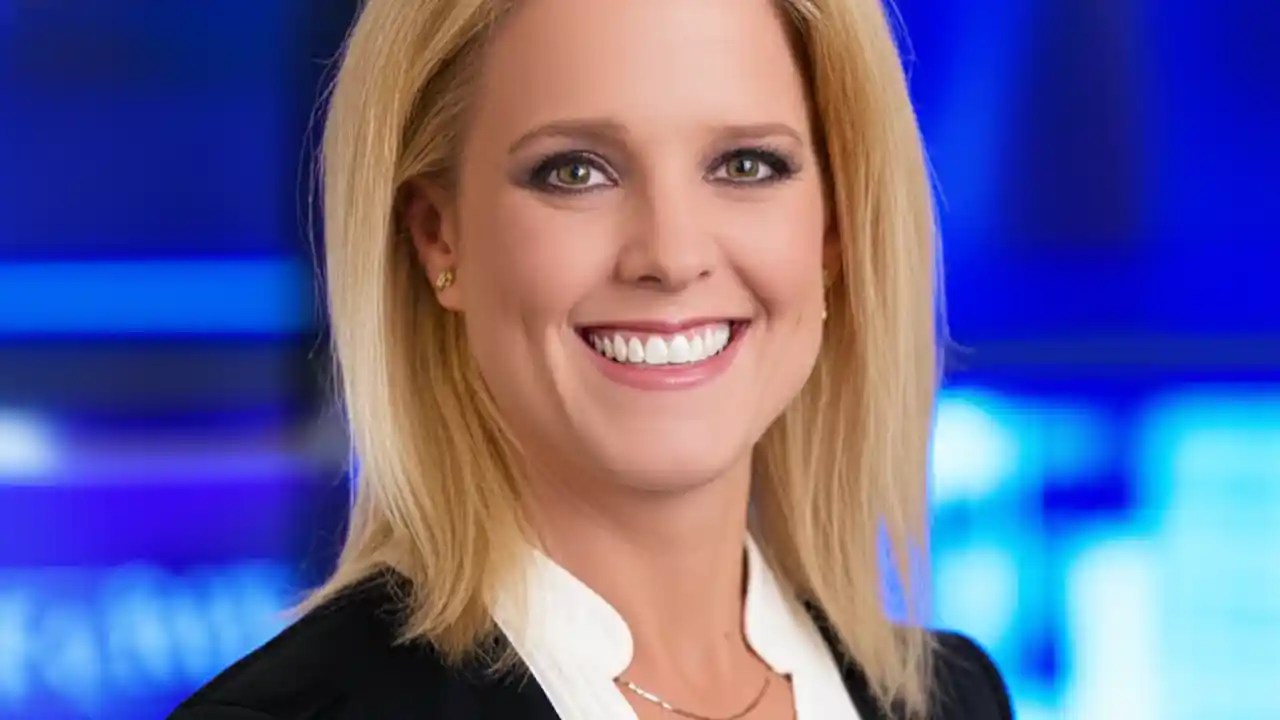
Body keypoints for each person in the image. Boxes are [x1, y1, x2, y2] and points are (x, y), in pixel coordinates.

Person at [170, 0, 1013, 718]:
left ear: (831, 231)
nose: (672, 255)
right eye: (576, 171)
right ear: (439, 237)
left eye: (747, 164)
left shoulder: (951, 698)